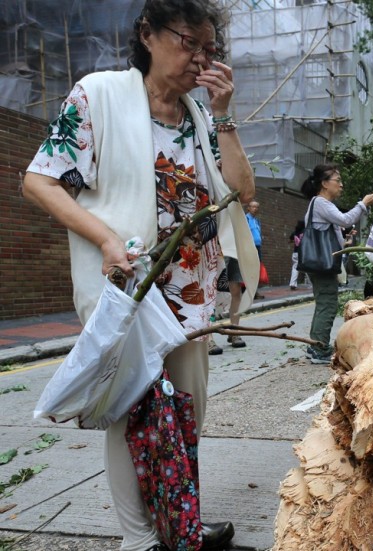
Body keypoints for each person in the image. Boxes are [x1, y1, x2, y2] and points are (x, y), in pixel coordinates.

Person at [21, 1, 257, 550]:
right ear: (147, 35)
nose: (200, 59)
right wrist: (105, 238)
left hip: (193, 294)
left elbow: (241, 193)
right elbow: (40, 181)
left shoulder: (199, 116)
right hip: (130, 289)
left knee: (184, 415)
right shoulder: (99, 94)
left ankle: (180, 527)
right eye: (188, 43)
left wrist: (224, 113)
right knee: (132, 411)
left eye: (209, 49)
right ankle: (139, 539)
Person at [300, 163, 373, 364]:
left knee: (323, 303)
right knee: (328, 303)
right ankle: (319, 349)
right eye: (338, 180)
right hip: (322, 264)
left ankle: (315, 346)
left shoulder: (318, 204)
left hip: (319, 262)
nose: (341, 185)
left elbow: (334, 228)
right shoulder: (321, 202)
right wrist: (363, 204)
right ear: (325, 184)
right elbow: (345, 220)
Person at [288, 219, 305, 290]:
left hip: (295, 253)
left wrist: (294, 241)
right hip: (303, 253)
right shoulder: (305, 232)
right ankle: (312, 283)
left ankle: (293, 284)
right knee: (307, 267)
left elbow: (290, 240)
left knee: (295, 268)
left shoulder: (294, 232)